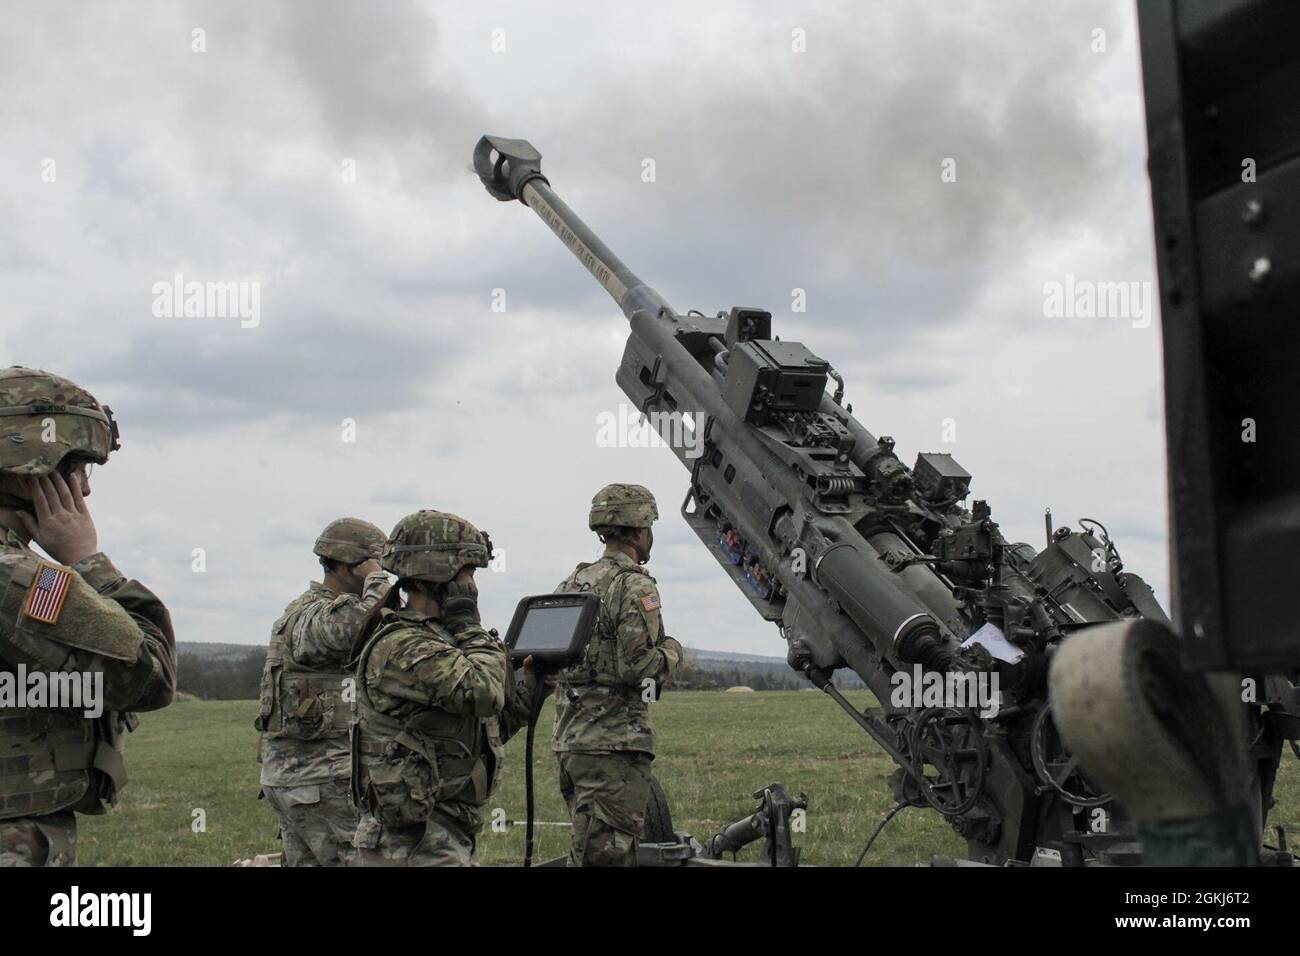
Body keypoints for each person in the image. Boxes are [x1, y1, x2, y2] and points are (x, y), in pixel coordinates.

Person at [0, 367, 176, 866]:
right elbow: (150, 676)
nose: (85, 491)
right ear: (25, 466)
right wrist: (88, 562)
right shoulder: (18, 579)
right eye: (76, 469)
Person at [350, 510, 536, 865]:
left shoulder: (441, 641)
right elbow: (482, 692)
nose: (473, 586)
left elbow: (477, 729)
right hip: (410, 844)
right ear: (436, 575)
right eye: (467, 573)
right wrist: (468, 622)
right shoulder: (403, 645)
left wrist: (531, 690)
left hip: (441, 833)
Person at [552, 483, 682, 866]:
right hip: (614, 748)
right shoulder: (635, 585)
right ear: (641, 530)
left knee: (589, 849)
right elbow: (639, 667)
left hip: (572, 743)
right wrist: (673, 650)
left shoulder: (572, 582)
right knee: (607, 855)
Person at [255, 517, 389, 866]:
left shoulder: (304, 611)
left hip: (302, 778)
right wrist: (377, 581)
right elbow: (361, 625)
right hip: (321, 779)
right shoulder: (318, 615)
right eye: (375, 564)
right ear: (349, 566)